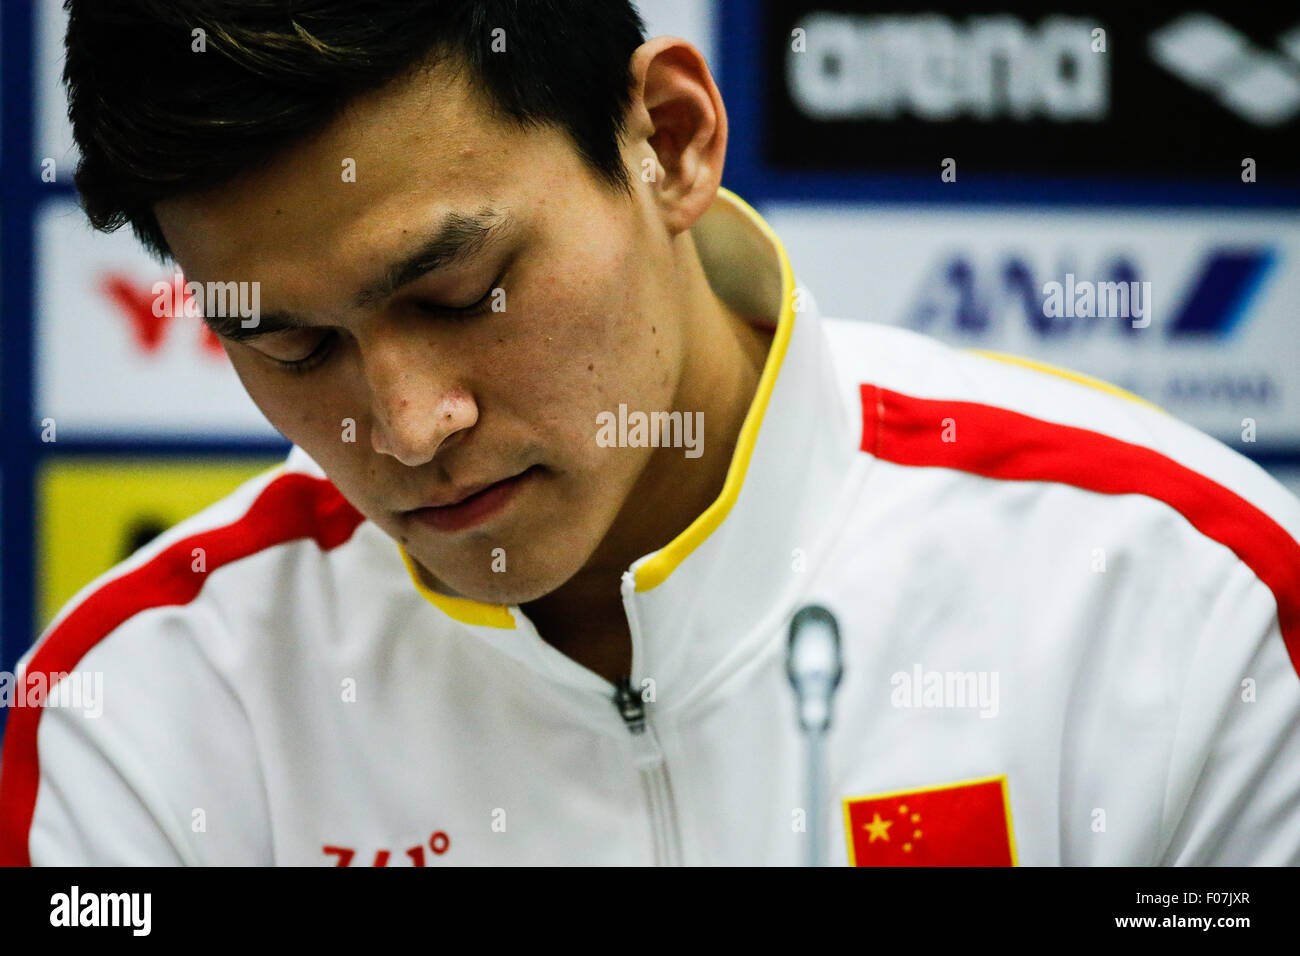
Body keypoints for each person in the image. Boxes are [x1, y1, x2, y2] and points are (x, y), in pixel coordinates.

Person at [2, 0, 1297, 866]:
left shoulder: (1185, 601)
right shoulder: (140, 717)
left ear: (667, 142)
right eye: (291, 347)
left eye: (463, 293)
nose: (406, 427)